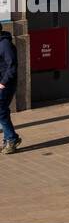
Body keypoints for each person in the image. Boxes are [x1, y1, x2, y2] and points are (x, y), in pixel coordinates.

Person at [0, 23, 19, 154]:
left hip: (5, 85)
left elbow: (12, 65)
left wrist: (3, 82)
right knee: (2, 112)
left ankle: (11, 139)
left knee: (1, 112)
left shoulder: (4, 44)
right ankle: (8, 139)